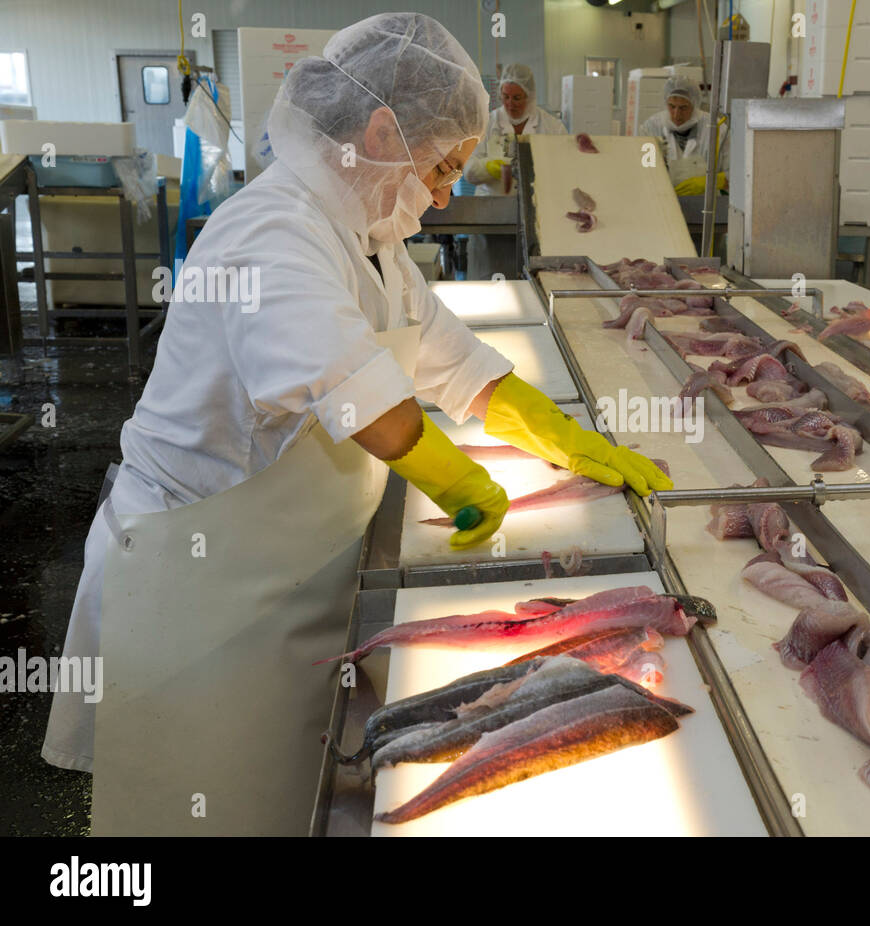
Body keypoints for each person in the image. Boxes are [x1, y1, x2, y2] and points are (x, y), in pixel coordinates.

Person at [40, 13, 670, 834]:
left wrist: (565, 438)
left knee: (276, 799)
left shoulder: (370, 240)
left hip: (275, 579)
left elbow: (453, 360)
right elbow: (355, 394)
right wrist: (458, 479)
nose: (445, 193)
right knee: (190, 808)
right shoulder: (273, 232)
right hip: (193, 585)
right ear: (380, 130)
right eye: (441, 166)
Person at [463, 63, 566, 279]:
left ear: (530, 96)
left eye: (517, 98)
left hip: (537, 220)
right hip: (491, 218)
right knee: (490, 283)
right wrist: (490, 167)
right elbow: (468, 170)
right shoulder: (487, 122)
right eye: (505, 96)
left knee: (533, 284)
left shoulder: (552, 127)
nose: (510, 103)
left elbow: (564, 171)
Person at [640, 75, 729, 197]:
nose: (677, 114)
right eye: (672, 106)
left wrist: (707, 182)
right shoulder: (651, 127)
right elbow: (645, 171)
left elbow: (734, 176)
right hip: (665, 201)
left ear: (694, 104)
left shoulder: (716, 128)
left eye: (683, 108)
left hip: (707, 206)